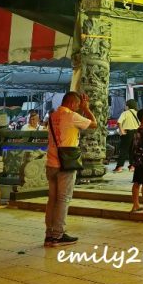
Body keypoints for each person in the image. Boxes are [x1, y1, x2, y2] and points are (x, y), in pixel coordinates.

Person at [45, 91, 97, 247]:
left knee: (52, 199)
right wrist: (87, 108)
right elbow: (94, 124)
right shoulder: (72, 115)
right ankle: (58, 235)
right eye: (78, 105)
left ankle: (49, 235)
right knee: (63, 199)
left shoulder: (53, 115)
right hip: (66, 164)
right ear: (73, 103)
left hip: (51, 163)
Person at [114, 100, 140, 172]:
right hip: (136, 133)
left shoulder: (125, 113)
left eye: (126, 105)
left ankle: (119, 167)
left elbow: (119, 122)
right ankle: (132, 166)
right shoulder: (137, 113)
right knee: (133, 150)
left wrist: (121, 131)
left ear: (127, 106)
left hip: (127, 133)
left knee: (123, 150)